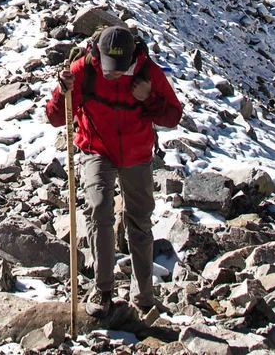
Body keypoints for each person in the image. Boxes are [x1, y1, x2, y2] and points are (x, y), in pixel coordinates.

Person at [44, 23, 184, 320]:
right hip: (96, 150)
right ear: (99, 55)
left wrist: (149, 97)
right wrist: (62, 91)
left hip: (136, 153)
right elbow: (56, 118)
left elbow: (173, 115)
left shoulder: (149, 72)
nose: (114, 73)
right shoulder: (84, 70)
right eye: (109, 67)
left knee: (139, 221)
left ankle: (144, 295)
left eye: (120, 67)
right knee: (99, 210)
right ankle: (102, 289)